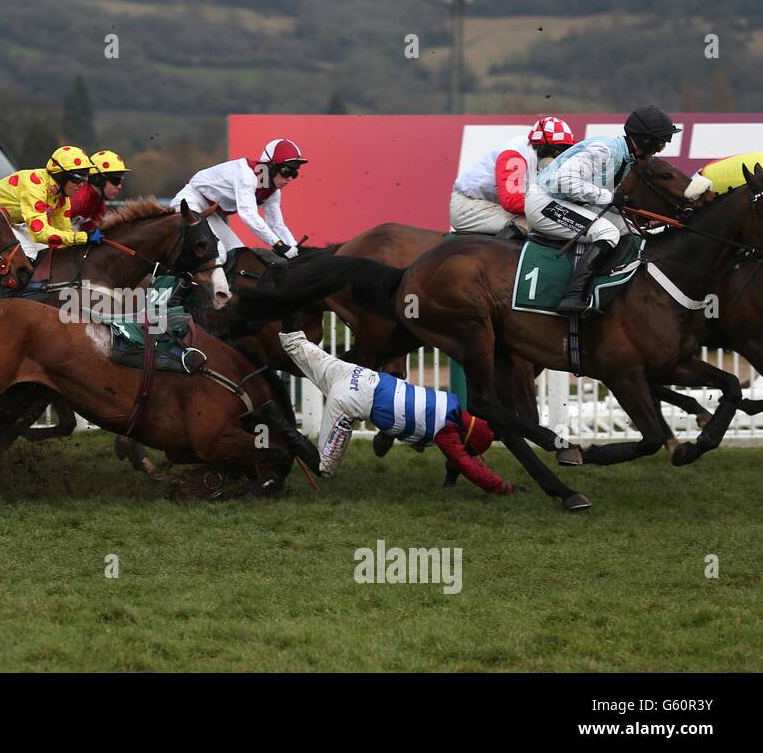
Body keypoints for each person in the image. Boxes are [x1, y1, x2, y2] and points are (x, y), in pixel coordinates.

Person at [278, 321, 518, 494]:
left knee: (294, 341)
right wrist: (503, 486)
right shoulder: (448, 435)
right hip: (348, 400)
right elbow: (470, 467)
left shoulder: (451, 404)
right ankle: (274, 420)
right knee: (324, 469)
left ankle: (281, 293)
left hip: (356, 374)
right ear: (465, 439)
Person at [527, 105, 680, 315]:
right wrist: (609, 197)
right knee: (606, 232)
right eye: (660, 144)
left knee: (630, 230)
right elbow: (564, 181)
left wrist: (623, 205)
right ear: (645, 140)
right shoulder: (604, 150)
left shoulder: (624, 158)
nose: (658, 150)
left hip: (564, 202)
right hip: (544, 203)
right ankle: (573, 296)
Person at [172, 138, 306, 261]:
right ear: (270, 166)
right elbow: (248, 214)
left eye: (294, 173)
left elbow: (276, 224)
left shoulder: (272, 190)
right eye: (286, 171)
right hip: (189, 204)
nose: (289, 178)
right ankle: (159, 287)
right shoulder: (246, 176)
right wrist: (279, 245)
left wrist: (295, 248)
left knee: (238, 255)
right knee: (219, 254)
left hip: (208, 211)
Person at [450, 116, 576, 237]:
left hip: (488, 204)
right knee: (534, 223)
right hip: (466, 208)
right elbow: (512, 202)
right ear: (542, 146)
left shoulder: (539, 157)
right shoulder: (514, 157)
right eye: (557, 152)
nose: (560, 158)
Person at [0, 145, 101, 260]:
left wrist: (82, 244)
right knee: (29, 253)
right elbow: (39, 233)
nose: (81, 184)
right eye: (77, 179)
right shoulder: (34, 186)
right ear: (61, 176)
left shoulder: (61, 198)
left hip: (7, 222)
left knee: (44, 251)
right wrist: (82, 237)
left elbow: (64, 233)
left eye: (84, 179)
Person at [68, 149, 129, 233]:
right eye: (116, 180)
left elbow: (90, 229)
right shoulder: (78, 198)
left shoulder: (99, 204)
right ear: (98, 179)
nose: (119, 186)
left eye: (121, 181)